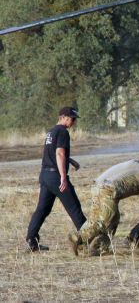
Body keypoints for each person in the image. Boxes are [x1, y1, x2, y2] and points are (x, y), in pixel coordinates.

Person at [25, 106, 87, 252]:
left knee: (42, 209)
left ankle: (31, 240)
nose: (73, 122)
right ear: (64, 117)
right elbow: (59, 154)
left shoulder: (51, 132)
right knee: (75, 209)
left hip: (45, 175)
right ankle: (90, 240)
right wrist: (63, 178)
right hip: (55, 176)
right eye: (72, 119)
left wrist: (70, 160)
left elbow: (52, 152)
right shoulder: (63, 132)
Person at [68, 154, 139, 256]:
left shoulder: (131, 163)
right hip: (107, 190)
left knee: (98, 219)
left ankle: (91, 246)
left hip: (97, 186)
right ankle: (78, 238)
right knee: (106, 220)